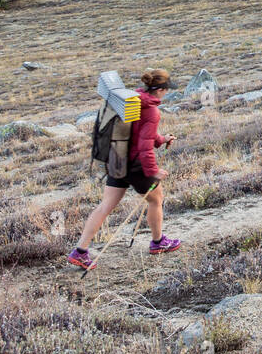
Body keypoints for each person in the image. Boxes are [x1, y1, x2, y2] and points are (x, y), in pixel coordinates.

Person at [68, 69, 182, 270]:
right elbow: (144, 146)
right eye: (166, 89)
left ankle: (80, 251)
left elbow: (141, 134)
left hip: (117, 157)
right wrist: (154, 171)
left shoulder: (133, 100)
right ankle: (158, 243)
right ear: (161, 90)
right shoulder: (152, 110)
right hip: (135, 164)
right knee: (156, 199)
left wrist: (162, 139)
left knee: (105, 206)